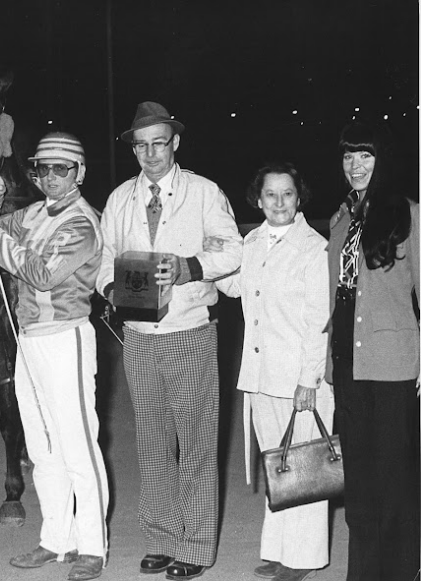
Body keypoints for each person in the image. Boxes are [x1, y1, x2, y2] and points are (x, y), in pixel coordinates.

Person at [96, 102, 242, 579]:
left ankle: (196, 545)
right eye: (141, 145)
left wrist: (190, 267)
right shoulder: (120, 199)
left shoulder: (204, 192)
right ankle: (160, 538)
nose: (151, 153)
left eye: (159, 143)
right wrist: (110, 289)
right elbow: (104, 259)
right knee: (152, 442)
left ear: (175, 142)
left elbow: (233, 249)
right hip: (138, 337)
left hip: (189, 331)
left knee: (196, 443)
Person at [0, 132, 109, 581]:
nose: (50, 177)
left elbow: (42, 273)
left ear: (79, 173)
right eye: (43, 169)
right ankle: (56, 539)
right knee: (43, 446)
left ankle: (92, 547)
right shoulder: (33, 213)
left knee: (78, 445)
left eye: (61, 169)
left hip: (66, 338)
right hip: (29, 338)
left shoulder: (82, 223)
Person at [212, 163, 333, 581]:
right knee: (278, 467)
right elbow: (236, 286)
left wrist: (309, 379)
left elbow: (320, 321)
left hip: (299, 379)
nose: (279, 202)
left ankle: (304, 558)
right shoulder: (252, 241)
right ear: (258, 199)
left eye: (287, 194)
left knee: (306, 472)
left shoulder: (314, 248)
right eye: (271, 194)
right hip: (261, 376)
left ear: (299, 198)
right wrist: (210, 256)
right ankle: (280, 550)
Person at [326, 121, 419, 581]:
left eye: (365, 154)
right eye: (348, 155)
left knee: (394, 477)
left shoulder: (410, 214)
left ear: (383, 159)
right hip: (348, 359)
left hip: (393, 362)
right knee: (359, 480)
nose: (355, 165)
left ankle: (401, 571)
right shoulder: (340, 218)